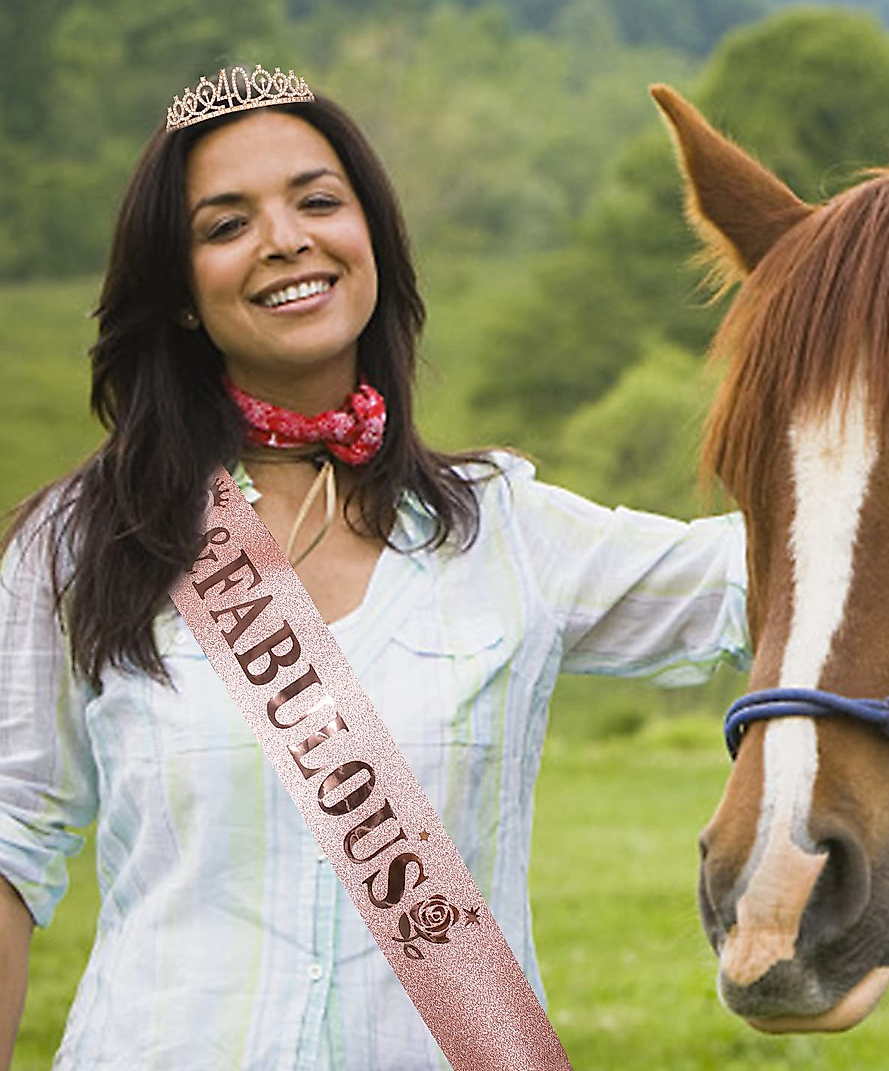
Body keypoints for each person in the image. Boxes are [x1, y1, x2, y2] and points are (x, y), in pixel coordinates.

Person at [0, 66, 750, 1070]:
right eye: (226, 226)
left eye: (319, 202)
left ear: (374, 246)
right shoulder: (81, 543)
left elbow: (770, 571)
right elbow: (10, 844)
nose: (284, 240)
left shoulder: (505, 531)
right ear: (177, 291)